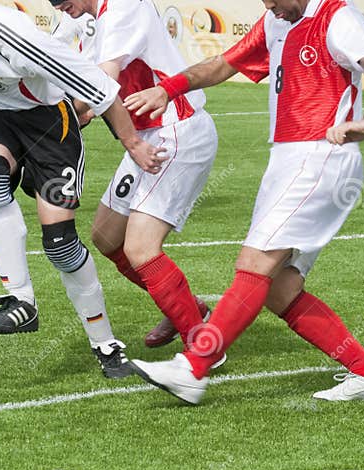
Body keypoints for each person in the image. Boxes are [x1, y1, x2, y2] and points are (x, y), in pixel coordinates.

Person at [0, 0, 167, 377]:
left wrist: (134, 144)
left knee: (60, 245)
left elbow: (103, 91)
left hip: (48, 124)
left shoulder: (17, 38)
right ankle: (20, 299)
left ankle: (106, 345)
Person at [124, 0, 364, 404]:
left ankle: (193, 367)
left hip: (319, 158)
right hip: (289, 160)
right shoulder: (275, 20)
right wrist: (167, 89)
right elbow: (224, 64)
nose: (270, 5)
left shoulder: (336, 16)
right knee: (279, 288)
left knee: (256, 263)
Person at [50, 0, 223, 365]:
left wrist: (61, 115)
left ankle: (204, 346)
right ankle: (188, 309)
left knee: (141, 248)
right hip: (147, 136)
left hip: (177, 131)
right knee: (107, 236)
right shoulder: (88, 17)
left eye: (64, 2)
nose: (62, 9)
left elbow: (104, 81)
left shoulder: (123, 9)